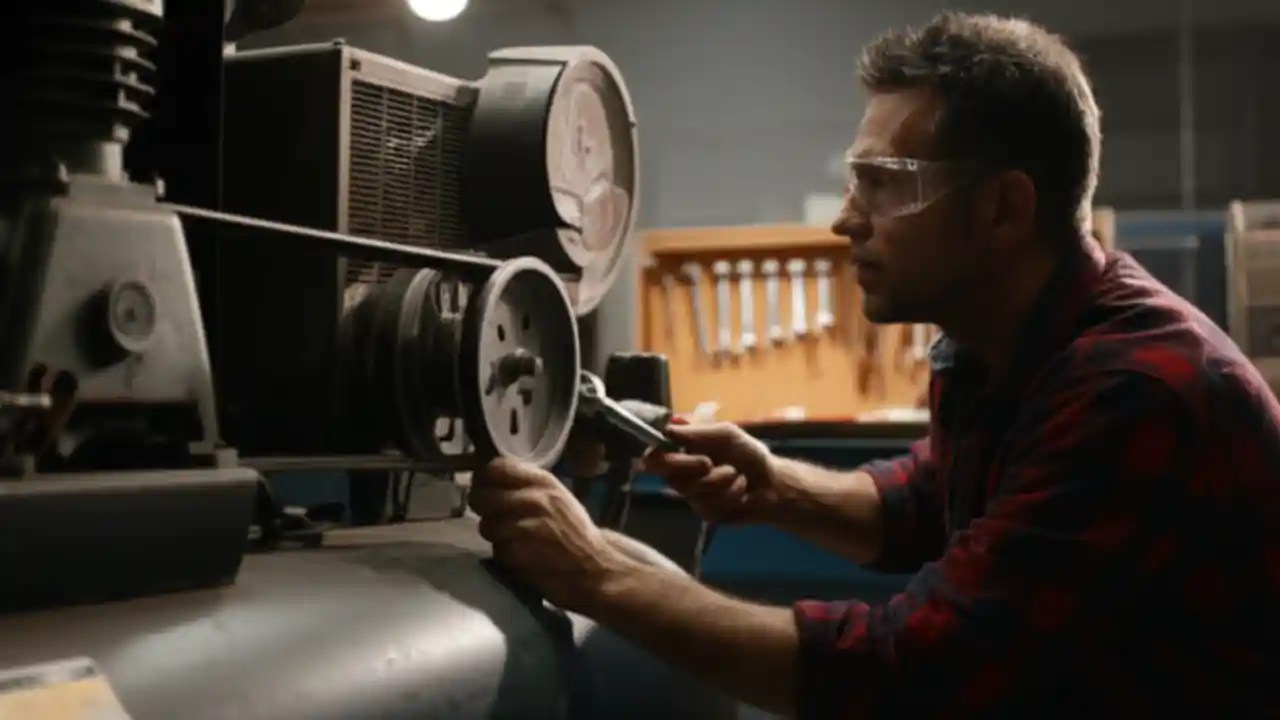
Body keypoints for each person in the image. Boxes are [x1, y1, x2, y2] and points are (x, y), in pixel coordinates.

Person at [468, 11, 1280, 718]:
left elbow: (914, 677)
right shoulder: (1005, 340)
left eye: (883, 185)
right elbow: (931, 500)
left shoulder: (1135, 392)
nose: (844, 222)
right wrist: (776, 487)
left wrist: (596, 574)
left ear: (1004, 208)